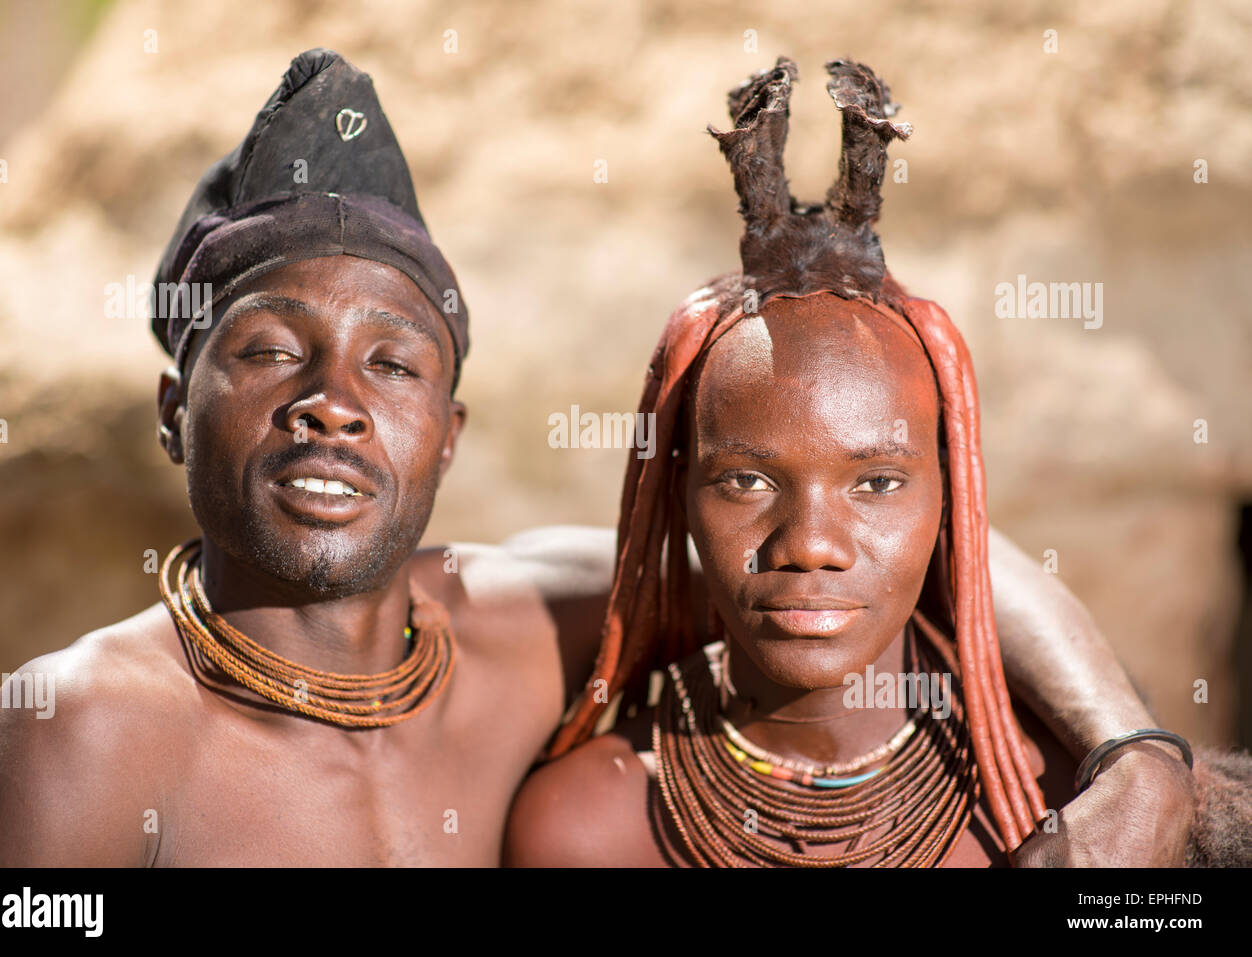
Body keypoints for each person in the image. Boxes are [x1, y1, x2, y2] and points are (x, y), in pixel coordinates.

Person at [0, 51, 1193, 867]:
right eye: (273, 353)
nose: (331, 405)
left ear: (450, 434)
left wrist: (1137, 763)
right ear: (175, 408)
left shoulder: (533, 625)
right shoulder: (80, 736)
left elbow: (892, 557)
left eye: (392, 366)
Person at [503, 58, 1199, 867]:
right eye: (747, 480)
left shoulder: (1079, 815)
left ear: (950, 495)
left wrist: (1147, 773)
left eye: (876, 482)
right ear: (679, 490)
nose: (810, 543)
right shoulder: (592, 822)